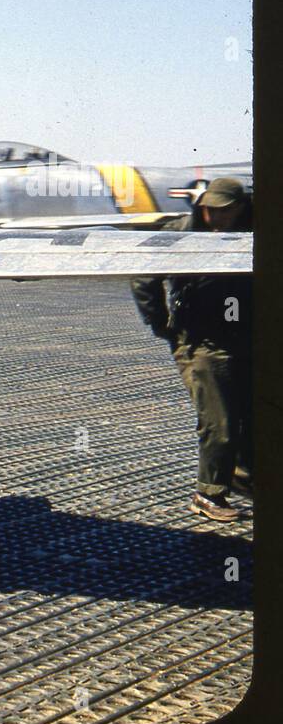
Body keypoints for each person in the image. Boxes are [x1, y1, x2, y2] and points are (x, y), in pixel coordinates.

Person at [131, 177, 253, 522]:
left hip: (245, 336)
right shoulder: (180, 232)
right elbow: (143, 274)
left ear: (240, 208)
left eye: (224, 212)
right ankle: (208, 494)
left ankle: (243, 478)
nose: (215, 218)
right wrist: (161, 324)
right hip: (201, 342)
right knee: (220, 422)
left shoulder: (257, 227)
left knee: (253, 414)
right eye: (209, 210)